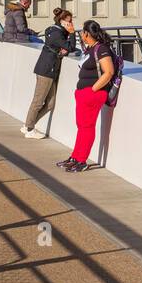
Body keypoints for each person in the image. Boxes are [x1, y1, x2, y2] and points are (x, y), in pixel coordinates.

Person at [57, 20, 115, 173]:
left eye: (82, 32)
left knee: (87, 127)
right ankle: (75, 157)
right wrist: (71, 32)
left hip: (93, 94)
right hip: (83, 94)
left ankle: (82, 160)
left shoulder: (101, 49)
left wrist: (93, 89)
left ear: (88, 33)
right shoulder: (90, 48)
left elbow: (109, 72)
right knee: (82, 127)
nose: (81, 34)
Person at [21, 8, 75, 138]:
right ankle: (29, 129)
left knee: (50, 104)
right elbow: (71, 47)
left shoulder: (54, 30)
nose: (71, 23)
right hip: (46, 70)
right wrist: (72, 33)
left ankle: (28, 124)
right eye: (69, 21)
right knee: (38, 101)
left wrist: (64, 47)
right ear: (62, 21)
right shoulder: (57, 34)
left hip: (48, 68)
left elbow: (64, 47)